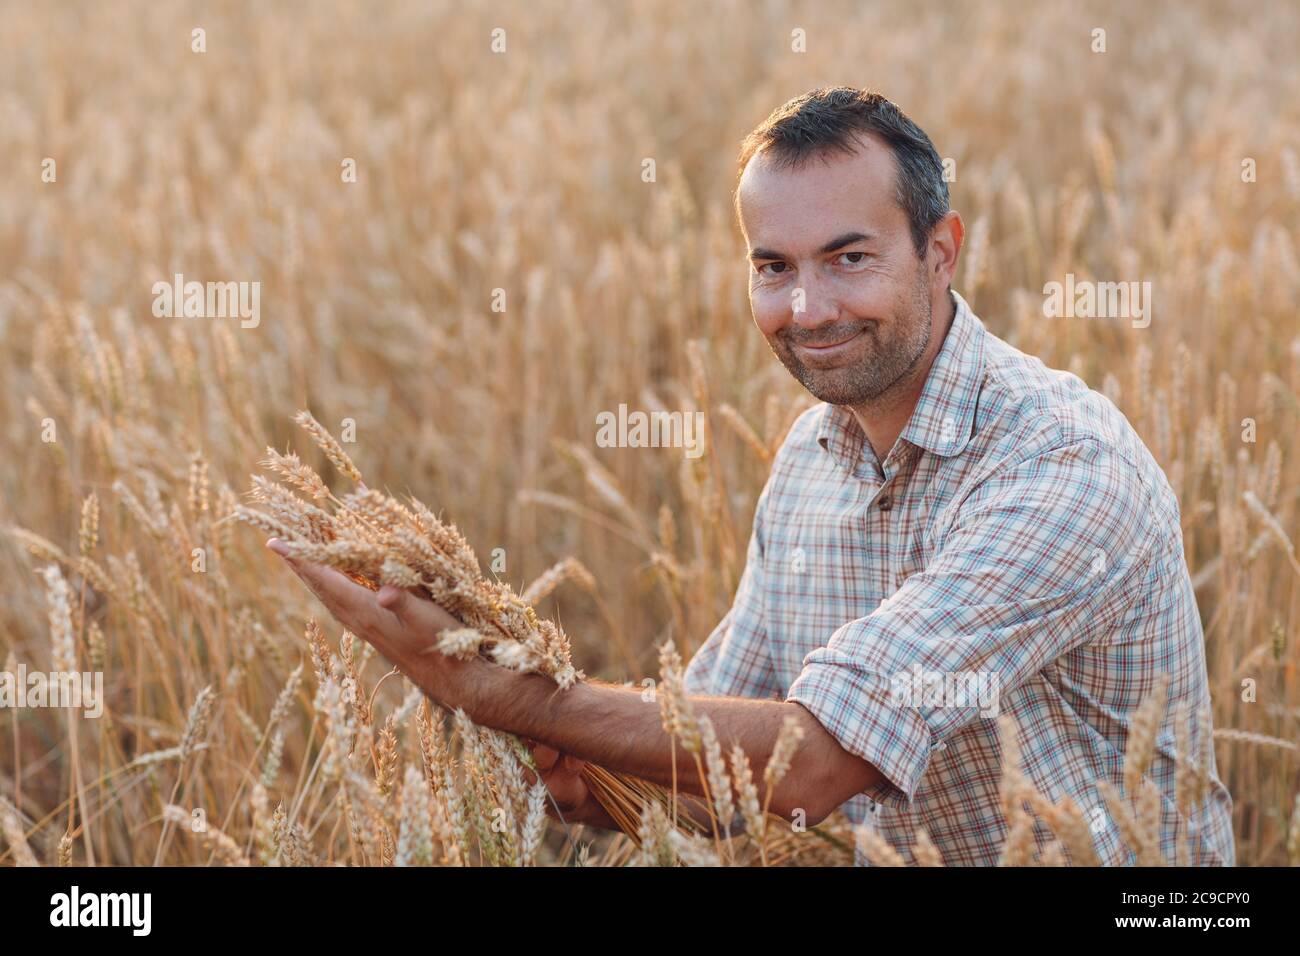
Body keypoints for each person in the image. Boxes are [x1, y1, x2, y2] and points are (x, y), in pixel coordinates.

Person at [269, 87, 1234, 866]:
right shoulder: (810, 463)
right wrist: (570, 763)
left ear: (941, 252)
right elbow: (715, 785)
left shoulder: (1064, 466)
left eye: (849, 258)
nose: (808, 307)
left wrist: (494, 689)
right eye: (772, 267)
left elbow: (809, 764)